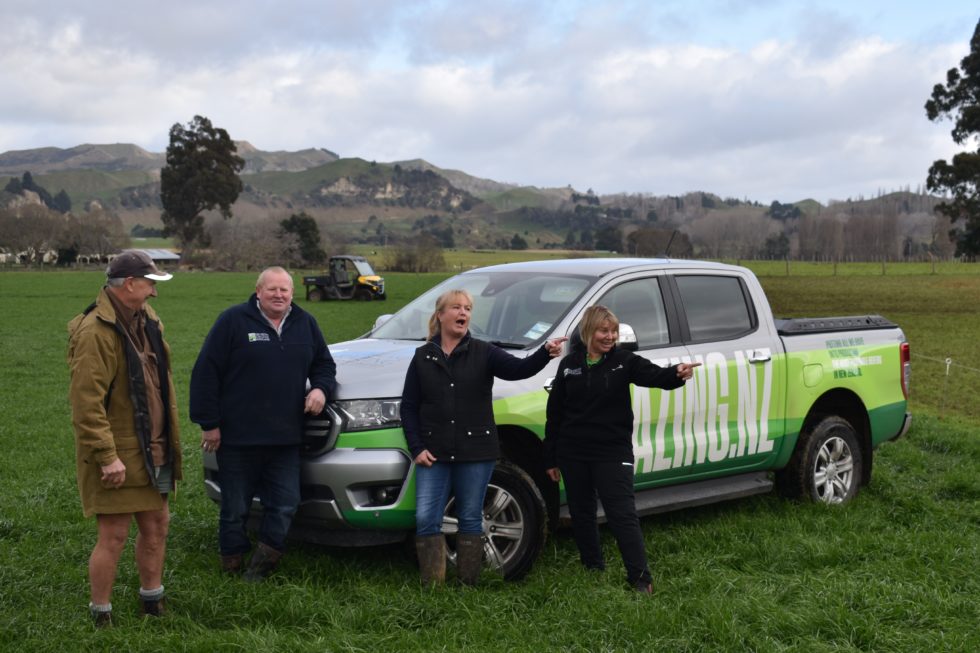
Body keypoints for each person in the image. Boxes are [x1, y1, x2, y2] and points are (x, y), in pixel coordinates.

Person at [400, 288, 566, 586]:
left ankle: (469, 584)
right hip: (433, 453)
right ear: (440, 315)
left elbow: (519, 369)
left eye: (467, 309)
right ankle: (432, 588)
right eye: (456, 308)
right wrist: (417, 447)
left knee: (470, 518)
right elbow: (409, 406)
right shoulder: (423, 356)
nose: (463, 313)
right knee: (426, 519)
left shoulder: (483, 352)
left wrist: (545, 353)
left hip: (476, 451)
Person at [190, 266, 336, 581]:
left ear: (292, 294)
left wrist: (322, 389)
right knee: (235, 507)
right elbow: (206, 372)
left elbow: (324, 364)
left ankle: (263, 562)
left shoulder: (305, 324)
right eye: (272, 289)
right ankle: (231, 562)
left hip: (285, 438)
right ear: (258, 292)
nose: (279, 295)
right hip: (238, 437)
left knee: (285, 504)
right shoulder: (233, 321)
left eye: (285, 290)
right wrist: (209, 423)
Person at [544, 305, 699, 593]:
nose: (610, 336)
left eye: (613, 331)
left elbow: (654, 376)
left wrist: (676, 375)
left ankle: (641, 579)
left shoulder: (623, 361)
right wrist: (551, 457)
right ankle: (592, 567)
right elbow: (555, 414)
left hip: (611, 452)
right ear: (588, 331)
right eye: (604, 330)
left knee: (622, 514)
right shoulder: (569, 366)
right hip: (573, 452)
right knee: (581, 512)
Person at [67, 250, 182, 626]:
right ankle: (101, 613)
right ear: (129, 284)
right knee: (113, 535)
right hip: (120, 454)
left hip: (156, 448)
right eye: (150, 284)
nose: (154, 293)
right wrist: (106, 456)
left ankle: (153, 600)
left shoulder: (147, 319)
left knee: (157, 526)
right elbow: (86, 405)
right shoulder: (94, 332)